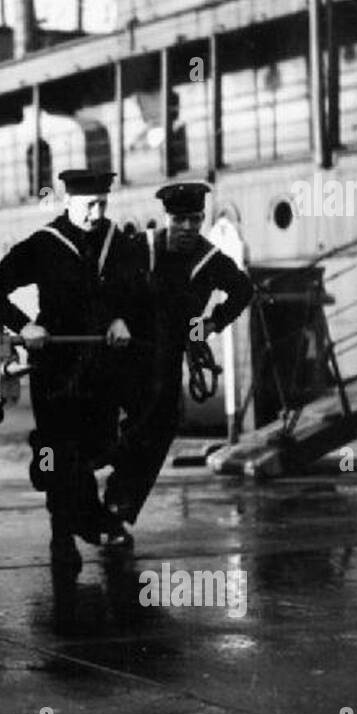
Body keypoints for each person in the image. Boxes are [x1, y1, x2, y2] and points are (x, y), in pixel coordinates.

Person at [0, 168, 135, 574]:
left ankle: (87, 517)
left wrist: (122, 318)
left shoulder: (118, 244)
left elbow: (136, 292)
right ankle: (62, 537)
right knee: (61, 454)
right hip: (57, 369)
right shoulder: (45, 245)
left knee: (94, 451)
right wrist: (24, 325)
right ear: (67, 202)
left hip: (102, 369)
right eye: (88, 205)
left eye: (102, 204)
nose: (96, 213)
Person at [105, 180, 255, 535]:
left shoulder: (209, 259)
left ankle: (123, 505)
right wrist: (115, 318)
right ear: (167, 218)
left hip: (168, 356)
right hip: (126, 352)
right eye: (180, 220)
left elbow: (243, 289)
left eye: (195, 219)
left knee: (162, 427)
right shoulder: (140, 248)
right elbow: (106, 284)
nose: (188, 228)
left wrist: (209, 326)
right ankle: (108, 490)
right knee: (128, 427)